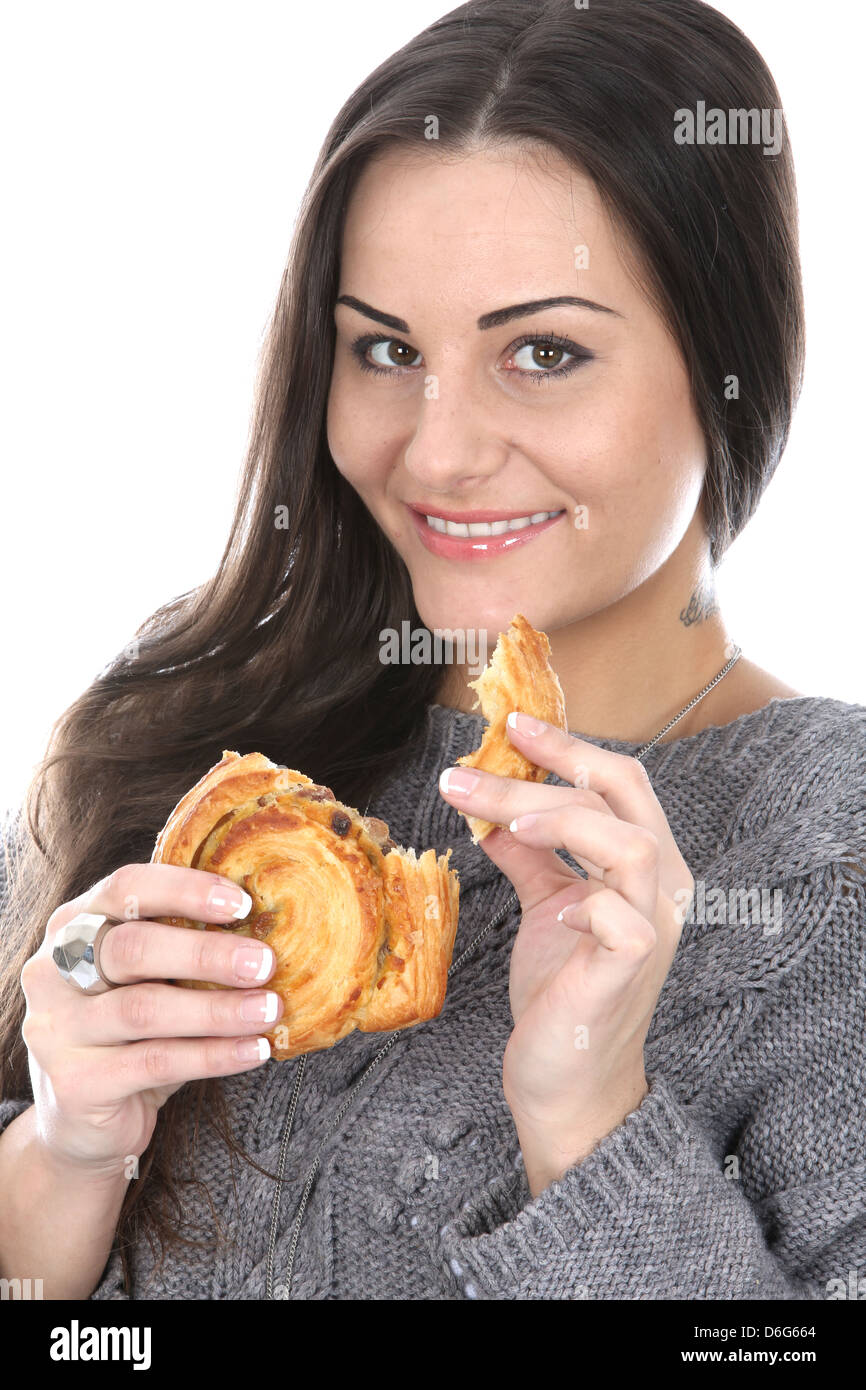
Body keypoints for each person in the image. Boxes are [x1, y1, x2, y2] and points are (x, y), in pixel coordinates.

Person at [0, 0, 863, 1301]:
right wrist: (67, 1148)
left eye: (542, 351)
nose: (438, 448)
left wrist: (588, 1120)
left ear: (725, 356)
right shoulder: (182, 725)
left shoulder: (833, 859)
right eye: (386, 349)